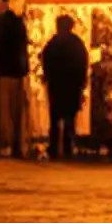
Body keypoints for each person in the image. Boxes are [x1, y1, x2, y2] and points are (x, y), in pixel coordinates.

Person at [41, 14, 88, 159]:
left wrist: (48, 76)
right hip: (72, 85)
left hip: (56, 84)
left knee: (55, 117)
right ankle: (68, 148)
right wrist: (81, 82)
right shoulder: (77, 43)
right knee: (70, 117)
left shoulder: (53, 43)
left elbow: (45, 60)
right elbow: (82, 63)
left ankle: (54, 148)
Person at [0, 0, 29, 158]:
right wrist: (25, 69)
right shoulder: (18, 23)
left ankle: (5, 144)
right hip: (16, 70)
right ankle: (16, 144)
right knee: (16, 111)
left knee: (4, 110)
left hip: (2, 70)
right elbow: (23, 48)